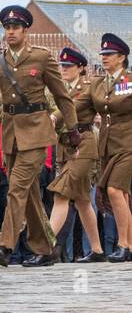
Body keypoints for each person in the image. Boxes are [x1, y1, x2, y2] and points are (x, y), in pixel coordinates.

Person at [0, 5, 78, 267]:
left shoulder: (41, 58)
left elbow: (63, 97)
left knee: (17, 188)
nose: (10, 32)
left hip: (36, 132)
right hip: (10, 134)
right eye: (7, 28)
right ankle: (47, 249)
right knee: (29, 195)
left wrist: (73, 128)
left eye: (15, 28)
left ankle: (6, 245)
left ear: (25, 30)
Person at [51, 48, 104, 261]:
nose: (64, 70)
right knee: (82, 200)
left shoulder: (87, 88)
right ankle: (98, 251)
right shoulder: (58, 89)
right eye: (61, 66)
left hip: (83, 145)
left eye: (69, 66)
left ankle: (44, 247)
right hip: (65, 148)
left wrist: (53, 117)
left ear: (80, 68)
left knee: (61, 193)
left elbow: (69, 107)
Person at [88, 33, 132, 261]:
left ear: (122, 57)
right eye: (103, 54)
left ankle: (124, 244)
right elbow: (81, 105)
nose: (104, 58)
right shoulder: (98, 83)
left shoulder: (130, 81)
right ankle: (130, 245)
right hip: (107, 145)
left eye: (109, 54)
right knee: (120, 195)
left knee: (115, 190)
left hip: (128, 144)